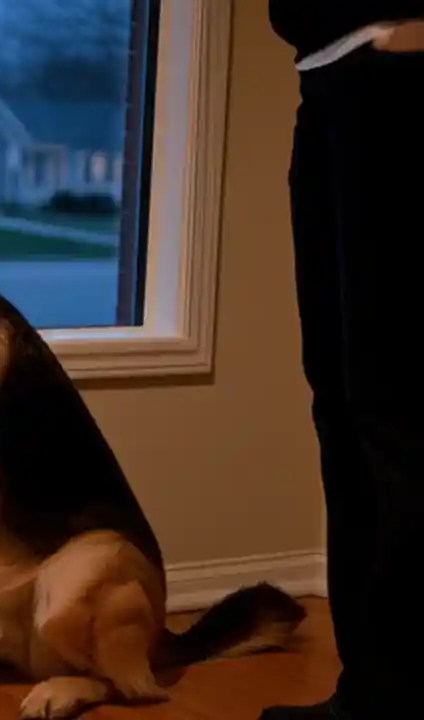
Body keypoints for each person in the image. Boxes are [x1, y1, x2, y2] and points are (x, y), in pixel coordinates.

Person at [264, 3, 424, 719]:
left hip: (399, 79)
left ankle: (395, 698)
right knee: (342, 404)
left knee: (398, 410)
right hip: (326, 77)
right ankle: (368, 691)